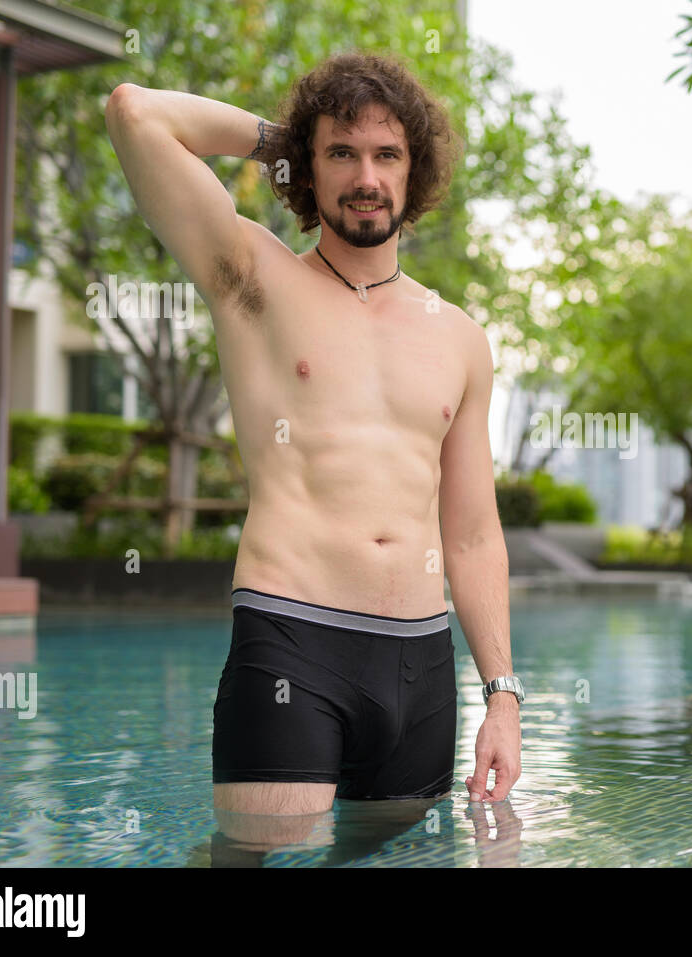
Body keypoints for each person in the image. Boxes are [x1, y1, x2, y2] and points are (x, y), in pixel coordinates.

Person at [104, 51, 523, 830]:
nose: (366, 175)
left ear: (414, 170)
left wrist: (503, 694)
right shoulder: (252, 277)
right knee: (261, 850)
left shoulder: (461, 339)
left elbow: (471, 535)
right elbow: (135, 112)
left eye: (386, 154)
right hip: (293, 639)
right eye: (342, 152)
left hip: (419, 664)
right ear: (309, 169)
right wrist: (281, 142)